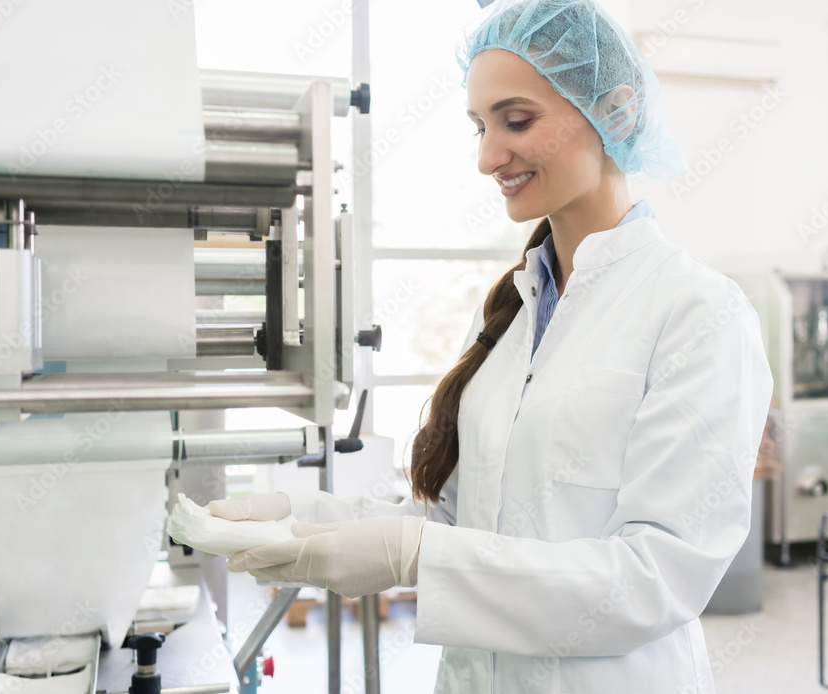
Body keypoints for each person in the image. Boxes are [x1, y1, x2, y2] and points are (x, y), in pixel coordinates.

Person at [208, 0, 773, 691]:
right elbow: (458, 516)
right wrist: (302, 517)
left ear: (616, 115)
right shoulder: (520, 310)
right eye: (479, 127)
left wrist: (417, 557)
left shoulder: (698, 313)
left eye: (516, 120)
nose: (486, 158)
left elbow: (655, 580)